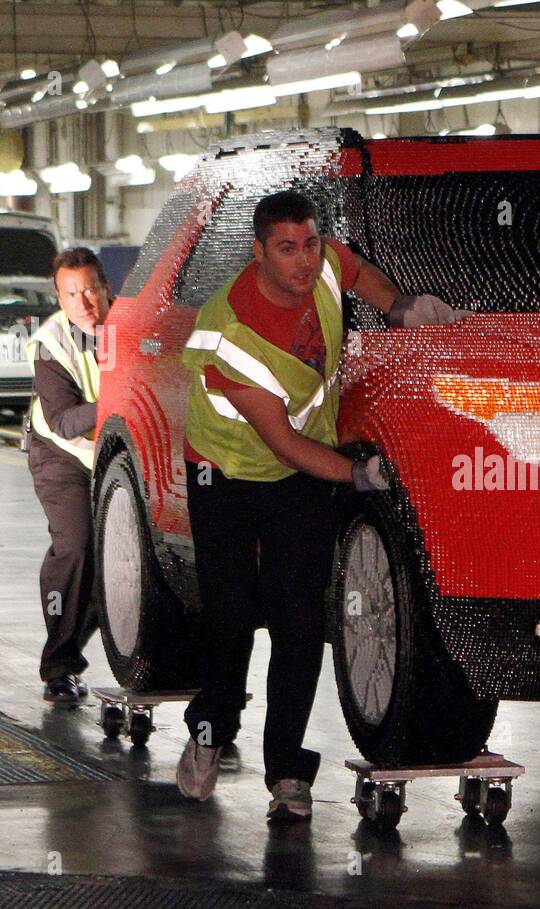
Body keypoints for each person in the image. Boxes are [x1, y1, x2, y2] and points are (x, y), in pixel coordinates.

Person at [175, 189, 462, 821]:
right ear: (259, 253)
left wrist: (399, 304)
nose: (304, 261)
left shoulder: (325, 260)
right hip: (226, 470)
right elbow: (282, 443)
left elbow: (354, 270)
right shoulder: (233, 333)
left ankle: (287, 774)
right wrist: (361, 474)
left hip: (299, 468)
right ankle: (209, 733)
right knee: (231, 616)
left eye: (308, 244)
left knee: (299, 622)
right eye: (286, 249)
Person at [24, 247, 110, 704]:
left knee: (116, 555)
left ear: (106, 287)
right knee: (76, 547)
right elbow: (63, 422)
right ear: (59, 297)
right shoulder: (50, 344)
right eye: (71, 293)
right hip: (60, 454)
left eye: (91, 288)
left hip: (113, 455)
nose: (84, 302)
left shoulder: (128, 327)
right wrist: (117, 401)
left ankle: (71, 647)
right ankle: (58, 666)